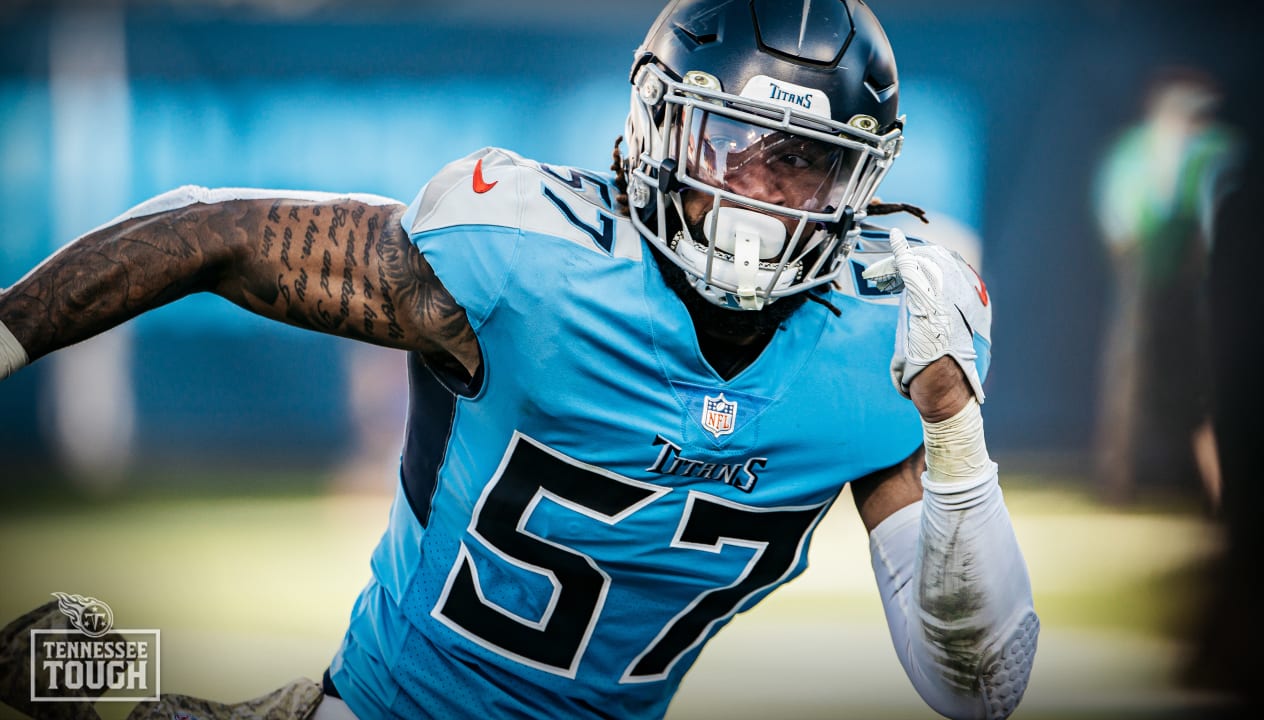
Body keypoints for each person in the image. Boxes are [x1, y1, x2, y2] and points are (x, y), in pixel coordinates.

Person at [0, 1, 1038, 718]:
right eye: (731, 146)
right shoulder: (527, 266)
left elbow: (976, 688)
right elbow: (207, 229)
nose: (758, 202)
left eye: (805, 165)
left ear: (863, 180)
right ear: (655, 123)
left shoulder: (886, 343)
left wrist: (951, 427)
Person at [1090, 67, 1239, 508]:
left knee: (1209, 376)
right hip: (1140, 276)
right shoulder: (1133, 152)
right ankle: (1118, 481)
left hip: (1205, 276)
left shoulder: (1216, 150)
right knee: (1128, 377)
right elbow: (1115, 215)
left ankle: (1217, 485)